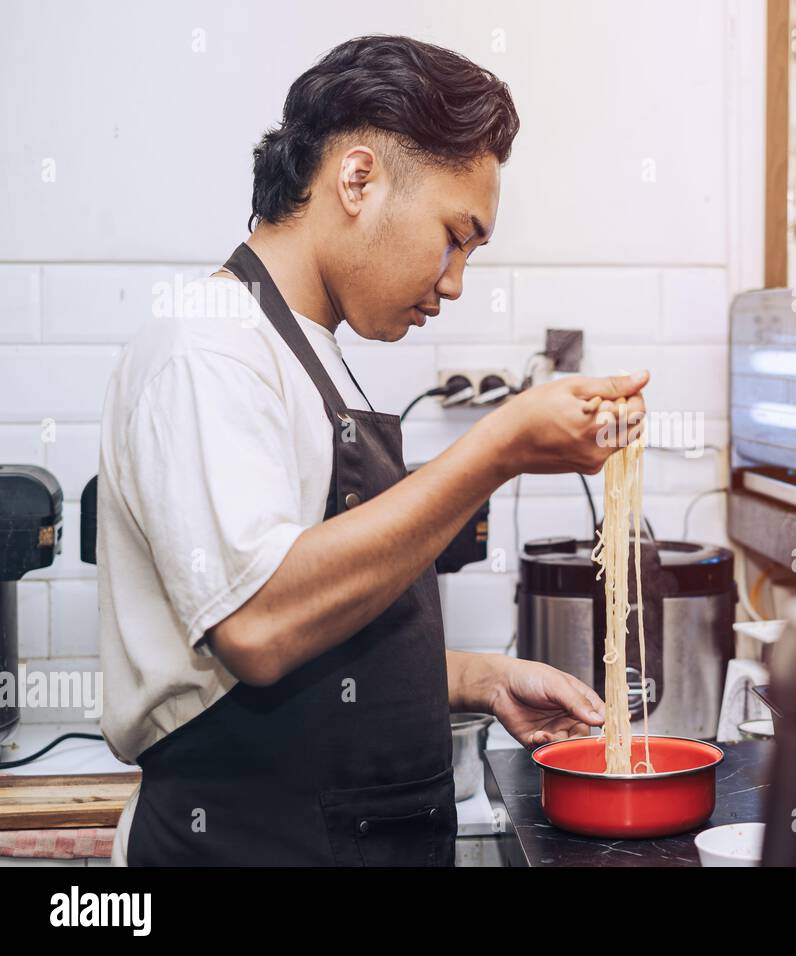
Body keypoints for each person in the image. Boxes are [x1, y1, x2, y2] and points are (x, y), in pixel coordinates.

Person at [96, 34, 648, 866]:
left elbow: (329, 630)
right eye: (455, 236)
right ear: (357, 179)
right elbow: (259, 624)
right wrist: (498, 447)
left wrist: (478, 678)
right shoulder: (208, 346)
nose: (455, 280)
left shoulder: (306, 351)